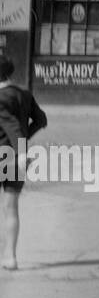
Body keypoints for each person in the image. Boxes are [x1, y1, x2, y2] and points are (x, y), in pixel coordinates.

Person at [0, 52, 47, 271]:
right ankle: (10, 257)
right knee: (11, 208)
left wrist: (20, 147)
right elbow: (41, 119)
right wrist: (25, 141)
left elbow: (12, 127)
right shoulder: (24, 94)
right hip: (16, 159)